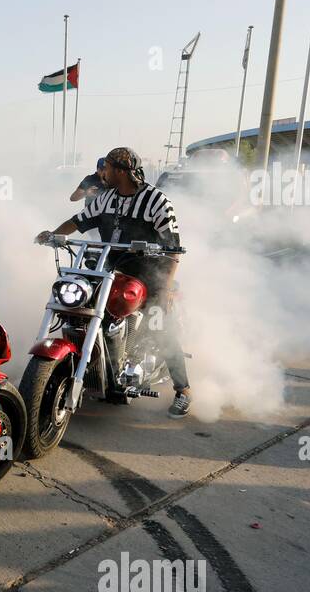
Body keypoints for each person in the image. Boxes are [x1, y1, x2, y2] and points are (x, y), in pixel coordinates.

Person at [37, 146, 193, 418]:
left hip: (147, 273)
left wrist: (166, 286)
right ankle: (94, 367)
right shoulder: (105, 198)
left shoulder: (156, 201)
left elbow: (173, 248)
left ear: (120, 171)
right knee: (77, 306)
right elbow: (77, 221)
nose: (102, 173)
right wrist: (53, 234)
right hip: (107, 268)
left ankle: (183, 390)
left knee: (160, 327)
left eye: (106, 168)